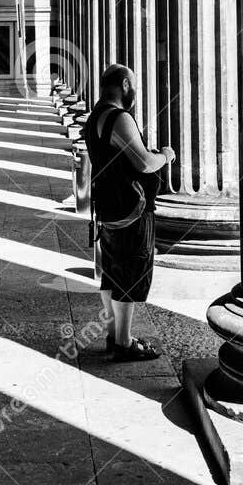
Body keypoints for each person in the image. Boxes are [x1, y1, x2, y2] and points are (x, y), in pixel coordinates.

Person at [82, 64, 173, 362]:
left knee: (112, 272)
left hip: (110, 208)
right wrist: (165, 156)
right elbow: (144, 163)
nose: (134, 90)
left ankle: (114, 335)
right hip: (130, 211)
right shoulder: (119, 118)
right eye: (132, 84)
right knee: (130, 272)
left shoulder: (96, 114)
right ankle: (123, 342)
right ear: (124, 84)